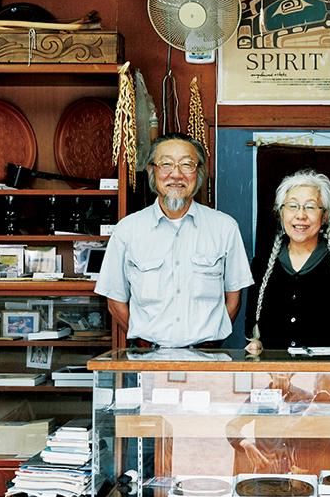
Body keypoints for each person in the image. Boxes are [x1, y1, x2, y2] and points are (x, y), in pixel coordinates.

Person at [95, 134, 252, 349]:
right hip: (149, 359)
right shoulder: (128, 230)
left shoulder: (224, 228)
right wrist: (143, 344)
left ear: (199, 172)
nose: (176, 174)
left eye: (187, 164)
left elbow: (234, 300)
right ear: (152, 171)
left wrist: (209, 344)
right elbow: (115, 302)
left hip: (207, 360)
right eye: (166, 164)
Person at [244, 170, 330, 353]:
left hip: (327, 377)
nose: (301, 215)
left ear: (325, 215)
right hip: (277, 378)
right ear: (281, 213)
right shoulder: (262, 264)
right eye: (293, 206)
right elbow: (252, 329)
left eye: (310, 207)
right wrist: (255, 345)